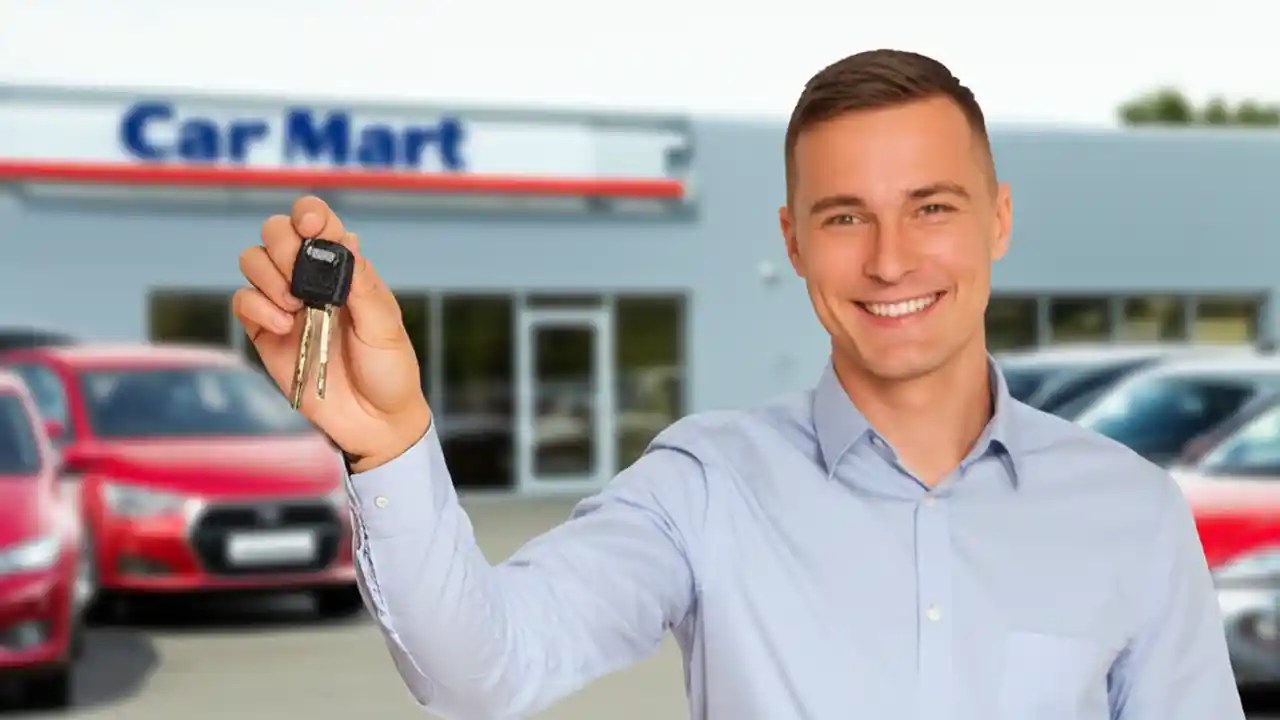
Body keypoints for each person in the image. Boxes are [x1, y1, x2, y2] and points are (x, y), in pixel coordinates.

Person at [233, 49, 1245, 720]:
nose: (889, 262)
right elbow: (479, 670)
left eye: (929, 207)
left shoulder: (1127, 512)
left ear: (996, 221)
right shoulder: (703, 486)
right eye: (844, 216)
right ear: (793, 241)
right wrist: (391, 440)